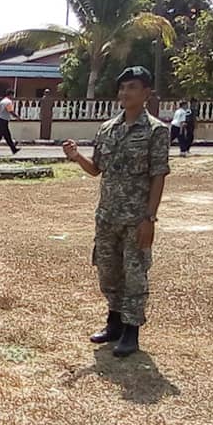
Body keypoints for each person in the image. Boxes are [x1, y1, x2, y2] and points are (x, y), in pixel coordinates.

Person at [61, 66, 170, 357]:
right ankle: (114, 323)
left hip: (136, 218)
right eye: (122, 88)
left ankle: (131, 331)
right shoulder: (107, 129)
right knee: (108, 272)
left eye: (132, 87)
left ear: (146, 93)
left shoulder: (156, 131)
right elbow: (96, 169)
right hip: (107, 216)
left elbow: (158, 175)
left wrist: (150, 218)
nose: (125, 93)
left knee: (134, 274)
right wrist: (76, 157)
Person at [0, 89, 22, 157]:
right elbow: (10, 111)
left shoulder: (2, 101)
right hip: (4, 121)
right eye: (12, 95)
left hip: (1, 120)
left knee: (7, 136)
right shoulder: (8, 102)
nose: (12, 97)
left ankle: (13, 149)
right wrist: (17, 117)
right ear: (10, 94)